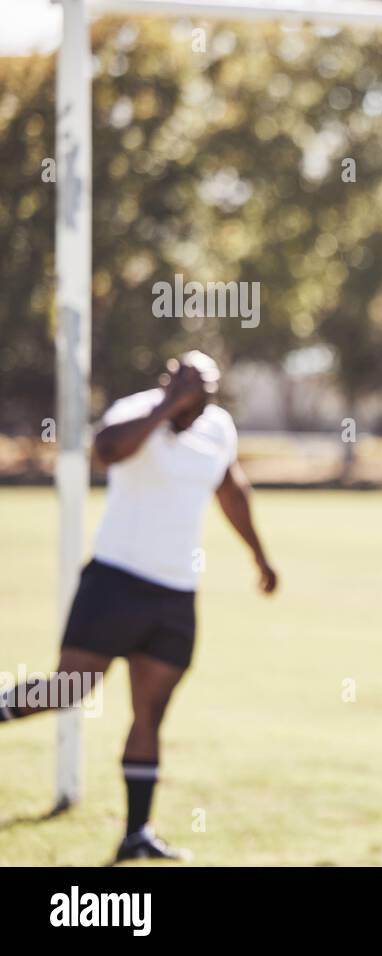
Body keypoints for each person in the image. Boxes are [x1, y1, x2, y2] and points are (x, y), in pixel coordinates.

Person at [0, 351, 278, 862]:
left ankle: (136, 834)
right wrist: (168, 405)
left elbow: (231, 488)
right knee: (67, 689)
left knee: (150, 712)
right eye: (188, 390)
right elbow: (106, 451)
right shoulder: (135, 412)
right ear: (168, 381)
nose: (198, 405)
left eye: (206, 394)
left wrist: (259, 556)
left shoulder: (218, 428)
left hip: (174, 594)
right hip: (114, 582)